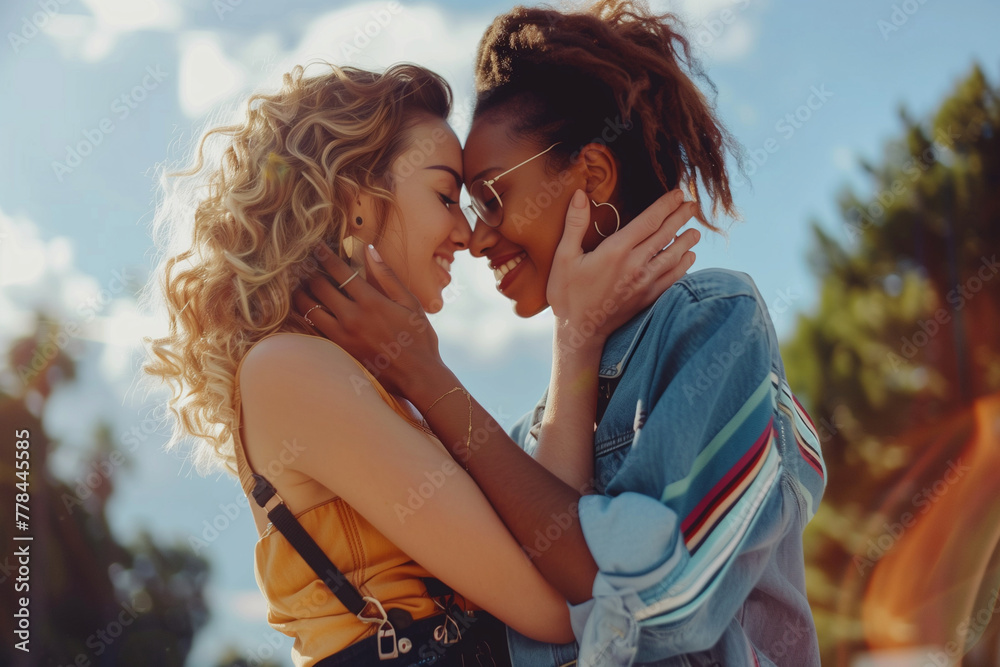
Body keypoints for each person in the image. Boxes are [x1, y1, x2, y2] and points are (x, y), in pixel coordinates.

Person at [294, 1, 827, 665]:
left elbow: (658, 603)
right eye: (464, 206)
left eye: (491, 198)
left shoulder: (714, 321)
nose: (476, 237)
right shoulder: (533, 434)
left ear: (592, 177)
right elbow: (538, 608)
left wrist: (426, 376)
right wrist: (574, 340)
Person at [141, 59, 699, 666]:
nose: (467, 232)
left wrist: (576, 336)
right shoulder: (288, 368)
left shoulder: (361, 380)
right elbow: (559, 608)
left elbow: (558, 543)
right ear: (356, 204)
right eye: (445, 197)